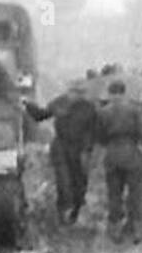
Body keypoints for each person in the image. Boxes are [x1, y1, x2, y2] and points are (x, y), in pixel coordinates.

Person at [25, 86, 99, 224]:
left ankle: (75, 213)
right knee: (63, 181)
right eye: (72, 92)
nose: (73, 96)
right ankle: (63, 213)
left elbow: (93, 130)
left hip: (80, 148)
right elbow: (41, 115)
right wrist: (27, 104)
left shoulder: (89, 107)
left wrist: (87, 150)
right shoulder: (60, 102)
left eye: (78, 93)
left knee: (80, 183)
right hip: (61, 146)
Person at [97, 80, 142, 241]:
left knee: (114, 194)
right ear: (124, 92)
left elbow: (99, 136)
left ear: (110, 93)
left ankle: (115, 231)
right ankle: (137, 231)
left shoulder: (103, 112)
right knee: (136, 193)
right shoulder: (135, 109)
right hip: (132, 153)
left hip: (112, 154)